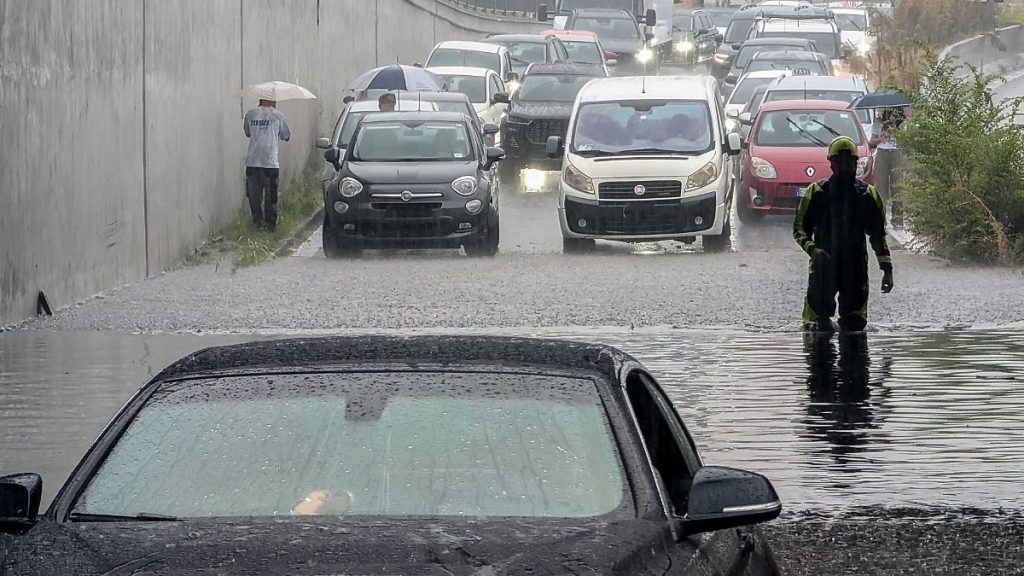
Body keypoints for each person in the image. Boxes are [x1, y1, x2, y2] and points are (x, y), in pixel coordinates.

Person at [793, 136, 894, 333]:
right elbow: (799, 229)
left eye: (850, 161)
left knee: (854, 329)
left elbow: (878, 236)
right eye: (840, 161)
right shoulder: (816, 193)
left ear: (857, 163)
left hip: (855, 271)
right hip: (823, 270)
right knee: (817, 329)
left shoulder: (868, 195)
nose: (846, 166)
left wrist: (887, 269)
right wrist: (813, 250)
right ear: (831, 163)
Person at [243, 99, 290, 230]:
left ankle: (257, 222)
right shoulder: (278, 115)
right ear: (272, 101)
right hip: (270, 162)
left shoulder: (250, 114)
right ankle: (270, 225)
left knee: (254, 195)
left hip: (253, 160)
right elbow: (286, 135)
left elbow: (247, 132)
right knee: (271, 196)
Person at [869, 107, 904, 225]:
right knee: (880, 186)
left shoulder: (903, 122)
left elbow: (907, 141)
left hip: (896, 152)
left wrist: (896, 131)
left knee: (898, 186)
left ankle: (898, 218)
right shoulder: (878, 122)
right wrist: (883, 136)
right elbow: (871, 142)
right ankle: (880, 217)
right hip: (882, 153)